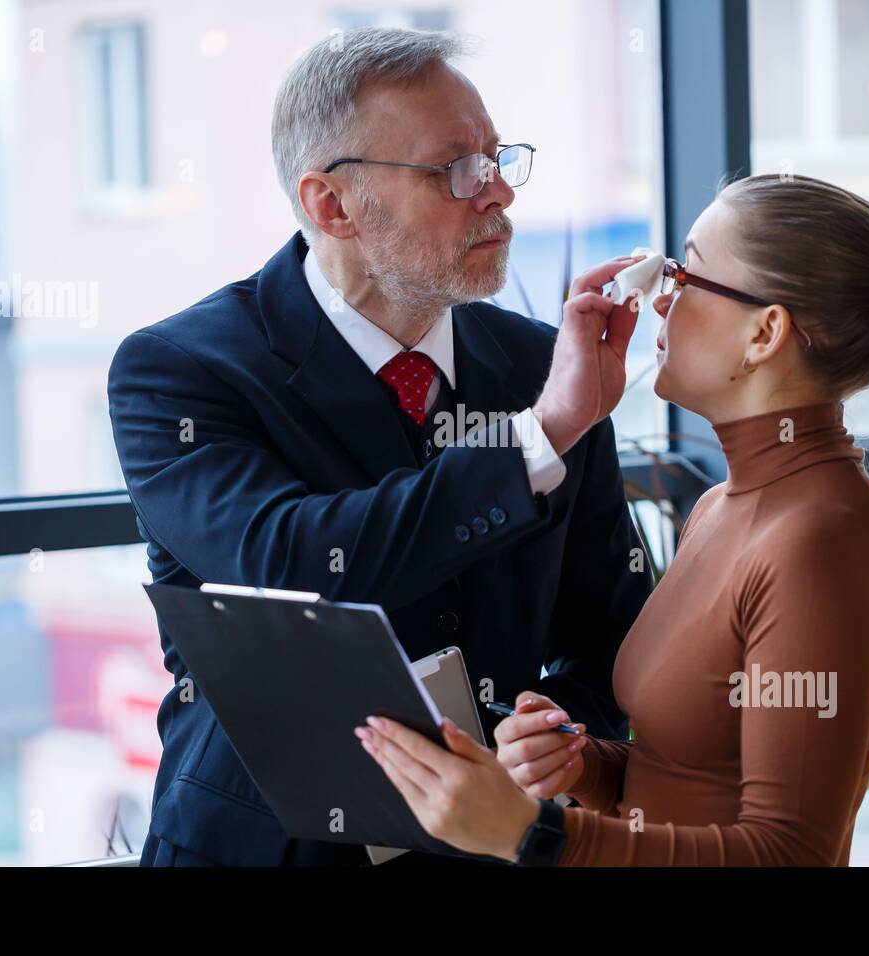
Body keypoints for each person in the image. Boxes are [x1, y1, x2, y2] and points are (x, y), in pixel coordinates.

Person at [106, 27, 654, 866]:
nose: (498, 192)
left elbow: (611, 634)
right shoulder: (179, 372)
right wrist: (538, 438)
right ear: (332, 204)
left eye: (500, 159)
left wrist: (555, 732)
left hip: (486, 846)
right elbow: (288, 563)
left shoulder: (544, 363)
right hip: (263, 850)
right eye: (456, 169)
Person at [357, 173, 869, 866]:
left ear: (765, 332)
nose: (659, 297)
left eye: (685, 273)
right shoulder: (723, 508)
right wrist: (580, 763)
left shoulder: (819, 542)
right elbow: (688, 779)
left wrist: (531, 833)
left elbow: (789, 853)